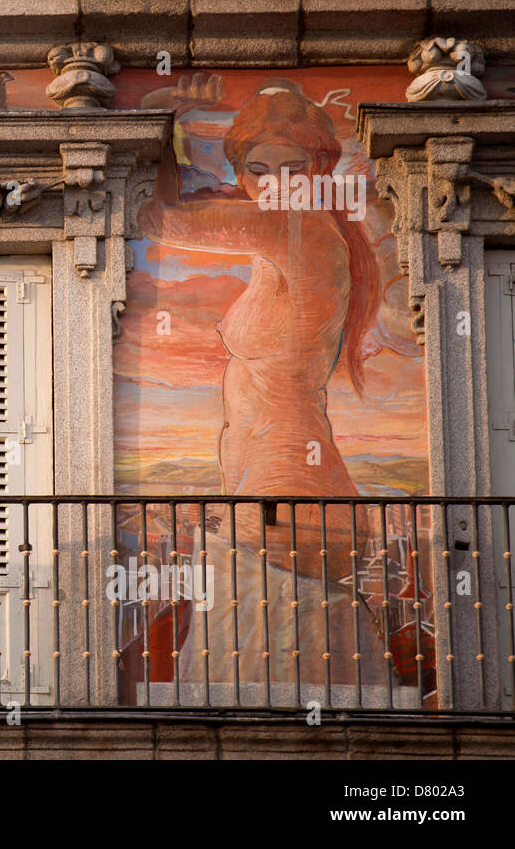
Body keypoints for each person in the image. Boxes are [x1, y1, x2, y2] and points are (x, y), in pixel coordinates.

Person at [137, 75, 384, 692]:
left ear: (320, 166)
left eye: (292, 166)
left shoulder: (293, 228)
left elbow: (156, 217)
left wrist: (156, 123)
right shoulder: (297, 230)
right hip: (283, 489)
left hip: (285, 490)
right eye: (258, 167)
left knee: (253, 688)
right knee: (277, 680)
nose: (274, 182)